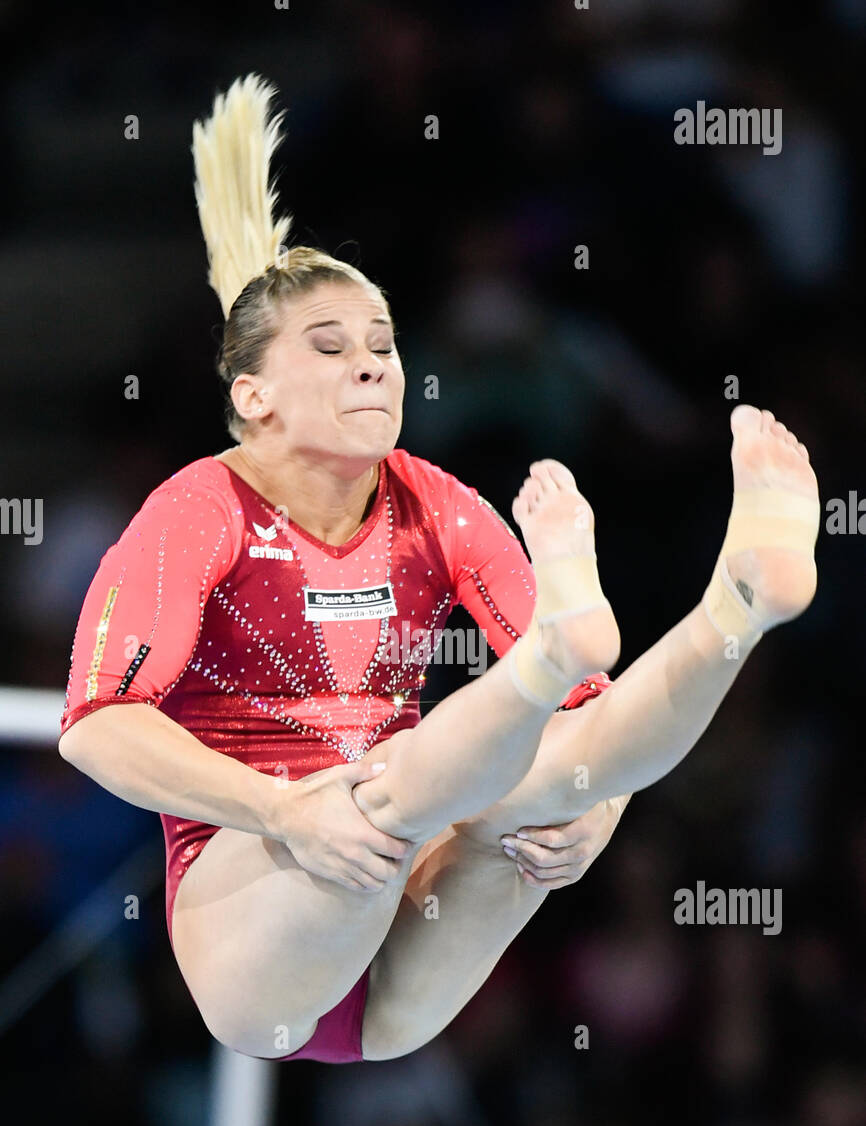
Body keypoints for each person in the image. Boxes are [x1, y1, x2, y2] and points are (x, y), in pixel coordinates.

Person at [57, 75, 820, 1066]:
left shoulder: (441, 505)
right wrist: (285, 809)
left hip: (400, 936)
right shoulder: (201, 507)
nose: (373, 363)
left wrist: (595, 815)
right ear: (254, 397)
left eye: (381, 342)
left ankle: (735, 606)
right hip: (254, 918)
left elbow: (595, 725)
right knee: (381, 793)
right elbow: (98, 728)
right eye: (329, 347)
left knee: (546, 788)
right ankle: (541, 665)